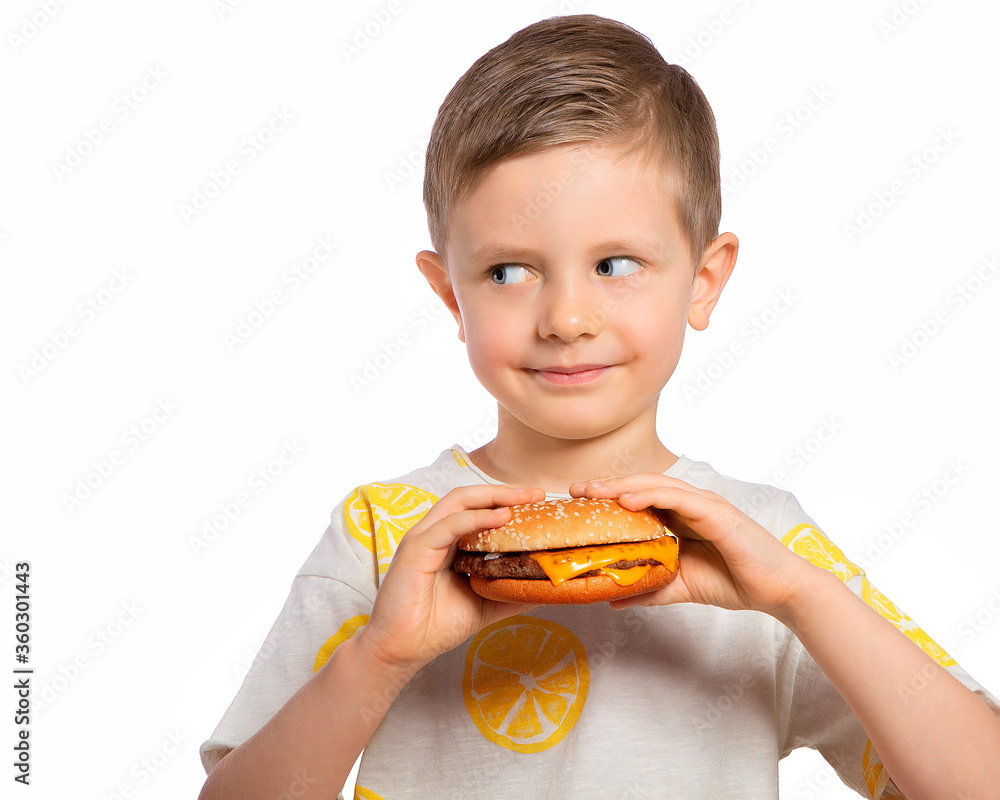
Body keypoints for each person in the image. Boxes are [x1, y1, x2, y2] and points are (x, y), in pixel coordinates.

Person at [197, 14, 1000, 800]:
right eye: (510, 272)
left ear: (705, 280)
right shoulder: (385, 535)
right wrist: (379, 658)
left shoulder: (763, 545)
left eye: (616, 263)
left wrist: (800, 596)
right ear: (450, 295)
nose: (567, 319)